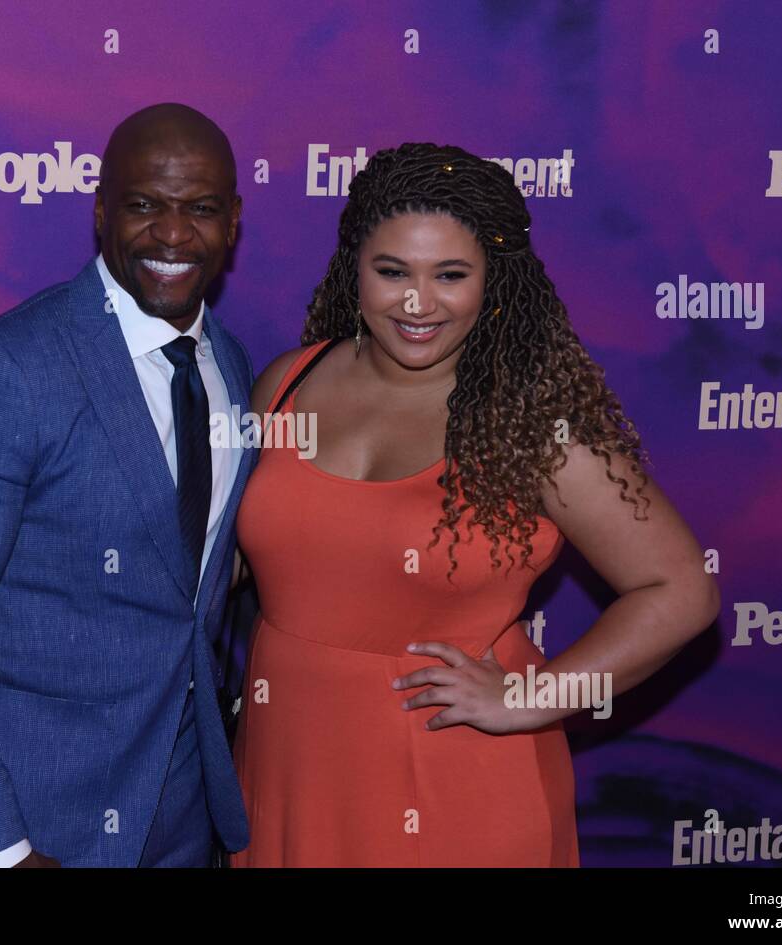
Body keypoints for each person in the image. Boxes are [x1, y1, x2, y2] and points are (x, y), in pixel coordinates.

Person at [228, 142, 720, 867]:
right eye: (391, 271)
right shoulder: (286, 384)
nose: (418, 302)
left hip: (456, 779)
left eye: (450, 275)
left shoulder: (525, 425)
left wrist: (530, 699)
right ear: (353, 268)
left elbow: (680, 590)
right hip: (284, 766)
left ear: (494, 282)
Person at [0, 103, 255, 867]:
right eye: (146, 205)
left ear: (234, 222)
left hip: (184, 818)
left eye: (202, 209)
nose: (175, 234)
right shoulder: (3, 369)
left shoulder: (233, 366)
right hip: (37, 818)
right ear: (100, 211)